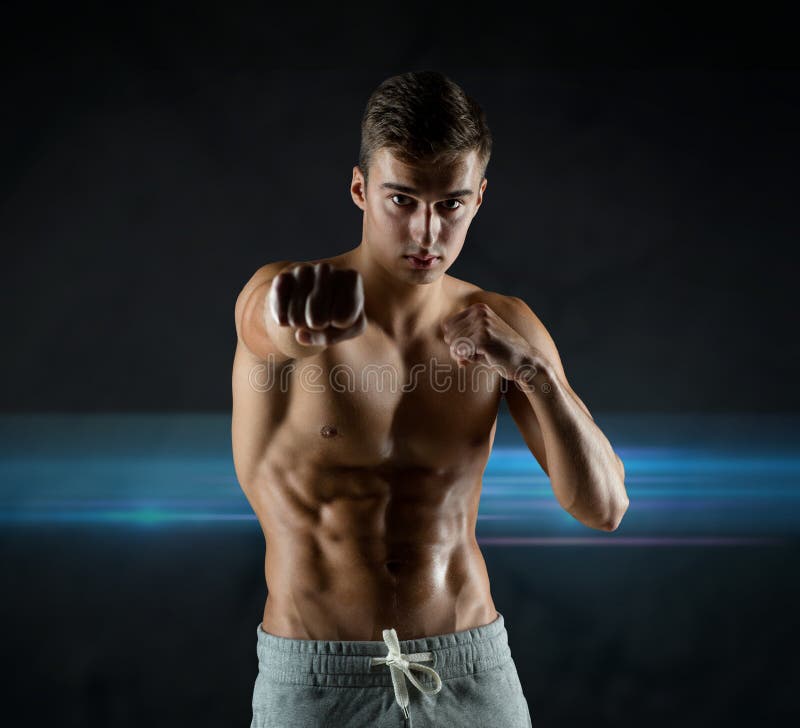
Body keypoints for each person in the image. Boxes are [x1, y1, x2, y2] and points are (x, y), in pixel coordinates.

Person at [232, 70, 628, 728]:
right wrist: (289, 318)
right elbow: (263, 322)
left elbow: (604, 506)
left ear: (479, 199)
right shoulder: (287, 294)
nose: (426, 232)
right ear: (360, 189)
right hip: (318, 680)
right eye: (402, 199)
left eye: (450, 205)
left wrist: (533, 372)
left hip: (469, 668)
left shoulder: (505, 324)